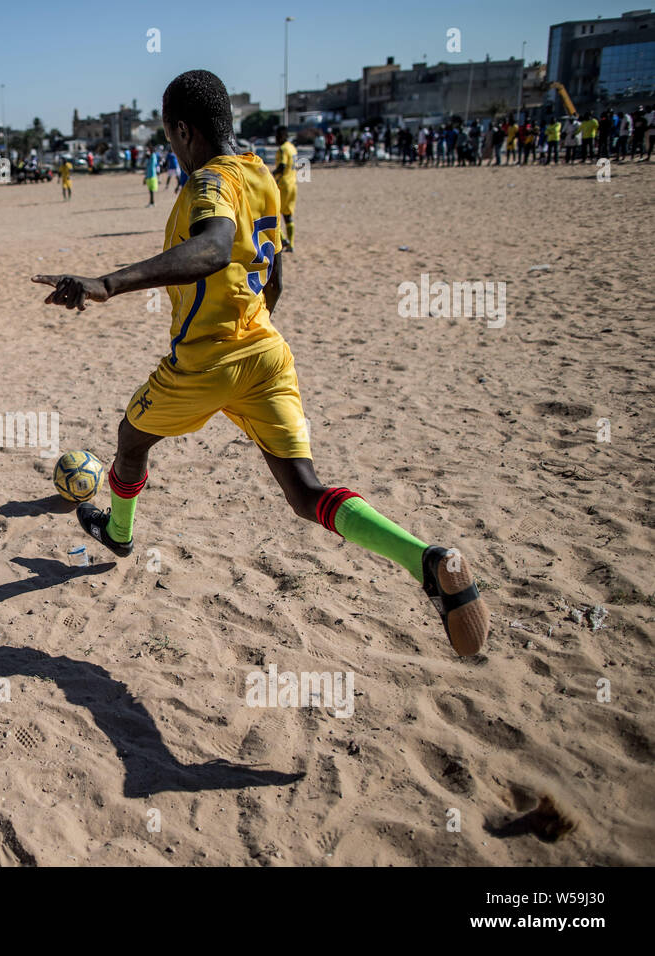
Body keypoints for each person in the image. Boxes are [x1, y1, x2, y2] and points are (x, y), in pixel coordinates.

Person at [30, 68, 488, 659]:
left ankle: (118, 533)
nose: (171, 148)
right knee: (306, 492)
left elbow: (215, 247)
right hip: (266, 354)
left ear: (185, 130)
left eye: (171, 137)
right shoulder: (261, 174)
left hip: (203, 362)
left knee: (130, 438)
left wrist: (107, 283)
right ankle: (423, 559)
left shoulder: (207, 185)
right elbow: (274, 275)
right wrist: (252, 314)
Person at [273, 126, 297, 253]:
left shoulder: (283, 149)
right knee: (288, 215)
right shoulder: (292, 148)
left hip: (283, 185)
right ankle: (291, 244)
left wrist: (271, 174)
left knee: (274, 213)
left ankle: (282, 240)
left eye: (277, 136)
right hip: (293, 184)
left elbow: (282, 166)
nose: (275, 138)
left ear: (281, 135)